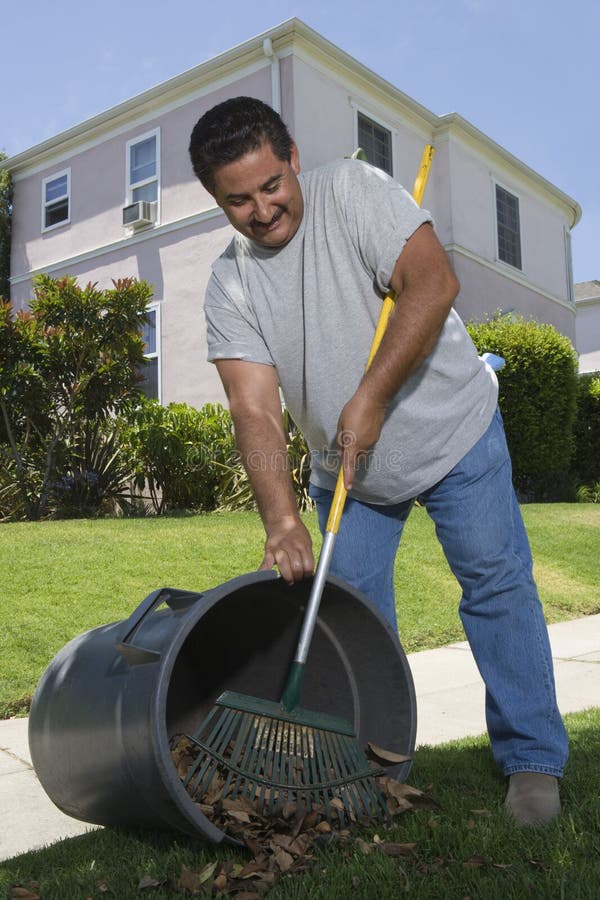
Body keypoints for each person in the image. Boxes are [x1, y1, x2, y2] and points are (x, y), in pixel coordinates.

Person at [188, 96, 568, 826]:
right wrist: (280, 519)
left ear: (293, 158)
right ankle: (379, 768)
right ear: (217, 200)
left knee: (496, 587)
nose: (262, 210)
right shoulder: (230, 283)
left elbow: (434, 284)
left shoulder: (354, 193)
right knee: (352, 616)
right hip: (350, 472)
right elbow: (255, 410)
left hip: (452, 430)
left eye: (271, 185)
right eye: (239, 200)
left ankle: (532, 760)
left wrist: (370, 395)